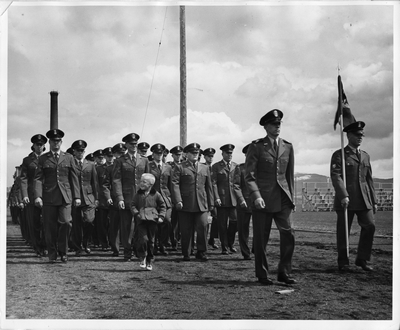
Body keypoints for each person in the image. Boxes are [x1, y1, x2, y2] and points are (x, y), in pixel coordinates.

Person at [245, 109, 296, 285]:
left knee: (288, 234)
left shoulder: (287, 146)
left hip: (283, 198)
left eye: (279, 124)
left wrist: (292, 198)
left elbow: (289, 175)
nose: (277, 127)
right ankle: (262, 274)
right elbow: (249, 176)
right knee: (261, 238)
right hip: (263, 200)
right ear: (266, 127)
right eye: (274, 125)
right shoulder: (257, 147)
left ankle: (284, 272)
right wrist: (256, 196)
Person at [330, 121, 377, 272]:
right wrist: (343, 195)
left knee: (370, 226)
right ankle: (343, 262)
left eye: (362, 135)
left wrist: (374, 201)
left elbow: (369, 179)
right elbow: (336, 176)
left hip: (363, 199)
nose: (360, 138)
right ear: (349, 135)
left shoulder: (365, 156)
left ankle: (362, 259)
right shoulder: (339, 155)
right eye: (357, 135)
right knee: (344, 231)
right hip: (346, 200)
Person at [34, 129, 81, 263]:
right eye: (53, 141)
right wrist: (38, 196)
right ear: (49, 142)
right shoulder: (44, 158)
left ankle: (63, 251)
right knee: (49, 227)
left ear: (61, 142)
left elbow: (74, 179)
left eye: (58, 141)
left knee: (66, 222)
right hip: (49, 197)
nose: (56, 143)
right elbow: (37, 178)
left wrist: (77, 196)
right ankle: (52, 254)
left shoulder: (68, 157)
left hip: (65, 197)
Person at [171, 143, 214, 261]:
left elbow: (209, 187)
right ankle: (187, 252)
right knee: (186, 229)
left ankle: (202, 251)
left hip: (201, 204)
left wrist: (211, 204)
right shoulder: (180, 167)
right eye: (192, 153)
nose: (195, 155)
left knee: (203, 226)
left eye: (197, 153)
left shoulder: (205, 168)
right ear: (186, 154)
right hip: (185, 204)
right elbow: (175, 185)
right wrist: (178, 200)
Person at [113, 133, 150, 261]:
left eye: (135, 144)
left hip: (141, 198)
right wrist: (120, 198)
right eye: (131, 144)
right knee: (127, 227)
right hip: (127, 198)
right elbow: (117, 180)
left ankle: (140, 252)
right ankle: (127, 252)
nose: (134, 146)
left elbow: (148, 179)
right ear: (126, 145)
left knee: (141, 226)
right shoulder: (120, 161)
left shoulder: (144, 160)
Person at [131, 173, 167, 271]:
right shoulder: (138, 194)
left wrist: (161, 216)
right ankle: (142, 257)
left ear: (150, 184)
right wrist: (137, 214)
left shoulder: (156, 194)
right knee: (143, 240)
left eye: (144, 182)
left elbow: (163, 206)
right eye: (141, 181)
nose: (141, 184)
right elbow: (133, 205)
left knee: (151, 241)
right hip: (141, 221)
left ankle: (149, 260)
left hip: (153, 221)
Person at [20, 134, 48, 257]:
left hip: (48, 194)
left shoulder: (49, 158)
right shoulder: (27, 160)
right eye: (37, 144)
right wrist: (25, 195)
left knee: (47, 222)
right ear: (33, 146)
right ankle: (38, 248)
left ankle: (46, 246)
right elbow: (23, 179)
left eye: (41, 144)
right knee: (35, 222)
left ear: (44, 146)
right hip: (32, 195)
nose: (39, 147)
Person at [70, 140, 99, 257]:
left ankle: (86, 243)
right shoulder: (70, 163)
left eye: (82, 151)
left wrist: (96, 198)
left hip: (89, 197)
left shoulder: (90, 164)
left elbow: (95, 182)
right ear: (74, 151)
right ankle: (78, 247)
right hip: (74, 197)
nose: (80, 153)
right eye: (78, 151)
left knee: (89, 221)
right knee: (76, 224)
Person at [212, 144, 239, 255]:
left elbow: (237, 183)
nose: (229, 155)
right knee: (222, 225)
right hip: (222, 200)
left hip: (233, 200)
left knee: (235, 222)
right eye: (227, 153)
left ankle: (230, 243)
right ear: (222, 154)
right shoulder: (216, 166)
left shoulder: (235, 166)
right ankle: (224, 247)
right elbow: (213, 183)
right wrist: (216, 197)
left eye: (231, 153)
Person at [148, 143, 173, 256]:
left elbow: (171, 184)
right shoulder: (148, 166)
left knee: (166, 221)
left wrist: (172, 198)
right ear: (152, 154)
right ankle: (153, 246)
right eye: (157, 154)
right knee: (153, 223)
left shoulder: (168, 167)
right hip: (152, 198)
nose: (159, 156)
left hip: (165, 199)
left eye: (161, 154)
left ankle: (163, 244)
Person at [102, 143, 126, 257]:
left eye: (123, 153)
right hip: (115, 200)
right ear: (115, 154)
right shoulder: (109, 168)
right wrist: (108, 197)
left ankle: (128, 247)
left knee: (128, 225)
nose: (121, 155)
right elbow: (105, 185)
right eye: (119, 153)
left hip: (128, 199)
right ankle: (116, 248)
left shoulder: (128, 165)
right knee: (114, 225)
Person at [233, 144, 253, 260]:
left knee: (260, 229)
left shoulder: (260, 168)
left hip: (258, 203)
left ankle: (257, 250)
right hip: (244, 204)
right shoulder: (240, 169)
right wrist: (241, 199)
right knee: (243, 229)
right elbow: (236, 186)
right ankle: (246, 253)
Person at [202, 147, 219, 250]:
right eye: (208, 156)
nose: (210, 158)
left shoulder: (214, 168)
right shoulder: (202, 167)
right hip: (204, 197)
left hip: (214, 197)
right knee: (204, 221)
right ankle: (202, 239)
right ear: (204, 157)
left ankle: (212, 239)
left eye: (212, 156)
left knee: (216, 218)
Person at [167, 146, 184, 251]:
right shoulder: (169, 167)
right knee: (172, 222)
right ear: (172, 155)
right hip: (171, 198)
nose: (178, 156)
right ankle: (173, 241)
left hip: (182, 198)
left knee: (182, 222)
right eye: (176, 155)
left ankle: (179, 240)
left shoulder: (185, 166)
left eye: (180, 154)